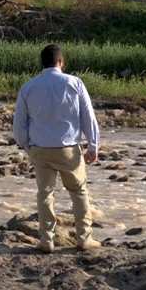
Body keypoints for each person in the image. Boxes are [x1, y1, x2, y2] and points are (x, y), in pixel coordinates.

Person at [12, 43, 100, 253]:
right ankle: (84, 238)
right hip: (68, 148)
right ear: (60, 62)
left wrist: (26, 145)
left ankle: (46, 240)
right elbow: (87, 116)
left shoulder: (28, 87)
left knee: (45, 194)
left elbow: (19, 122)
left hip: (40, 148)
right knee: (78, 192)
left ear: (42, 63)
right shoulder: (74, 83)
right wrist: (93, 145)